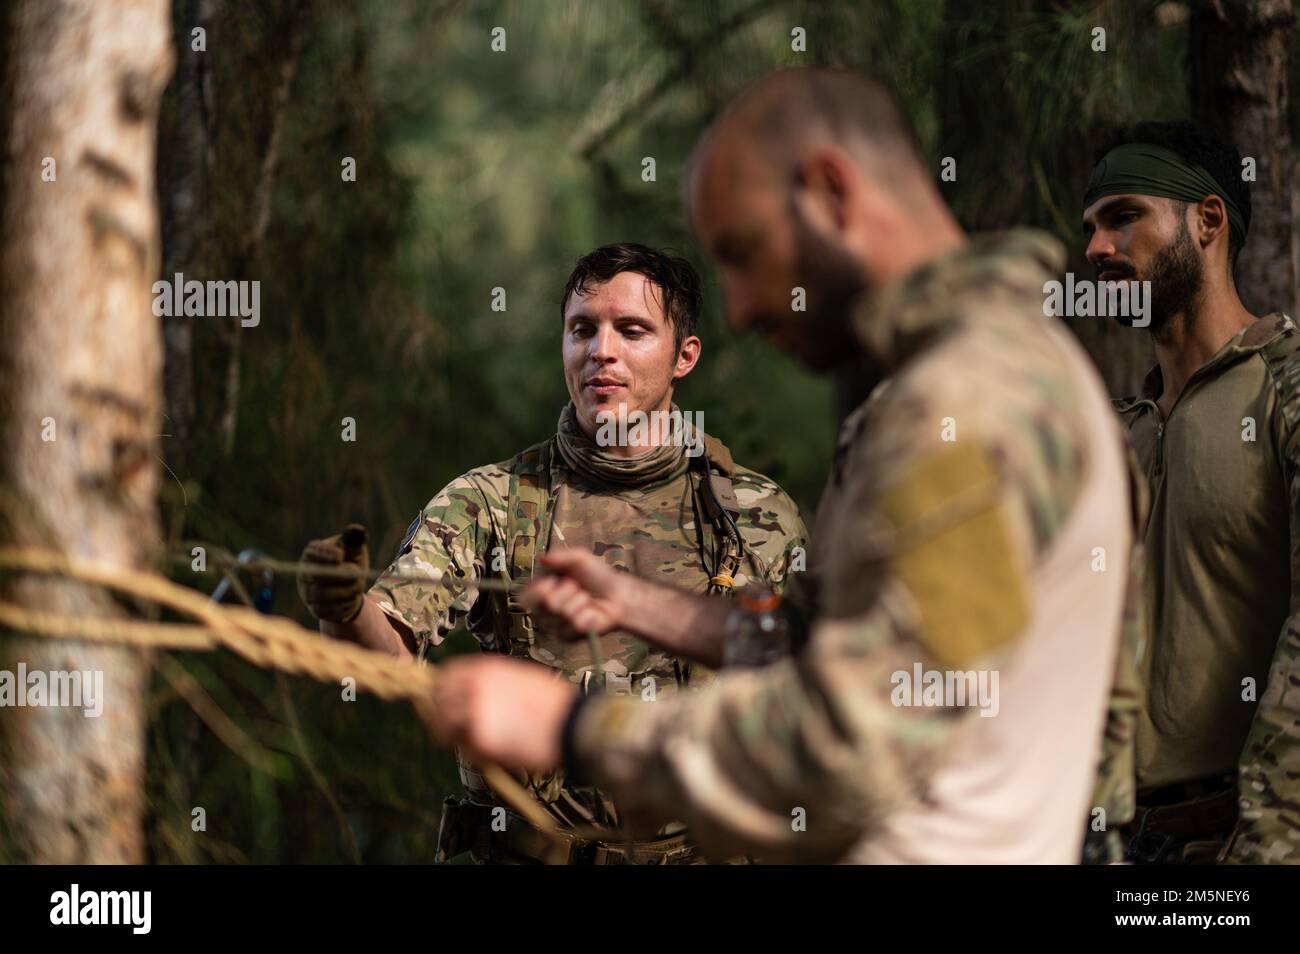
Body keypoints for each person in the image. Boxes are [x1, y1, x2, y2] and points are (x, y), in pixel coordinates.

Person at [427, 68, 1139, 863]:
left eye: (743, 253)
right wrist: (634, 602)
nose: (740, 307)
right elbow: (825, 640)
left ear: (831, 191)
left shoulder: (969, 405)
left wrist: (575, 729)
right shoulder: (991, 374)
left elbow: (849, 742)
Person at [297, 242, 808, 864]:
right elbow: (387, 658)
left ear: (684, 356)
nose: (602, 351)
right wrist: (345, 607)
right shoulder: (490, 501)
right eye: (582, 329)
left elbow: (812, 690)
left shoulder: (757, 516)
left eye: (633, 330)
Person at [1083, 121, 1300, 864]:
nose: (1095, 250)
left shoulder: (1286, 391)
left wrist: (1266, 841)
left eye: (1123, 217)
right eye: (1090, 228)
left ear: (1207, 221)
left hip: (1246, 839)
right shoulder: (1105, 437)